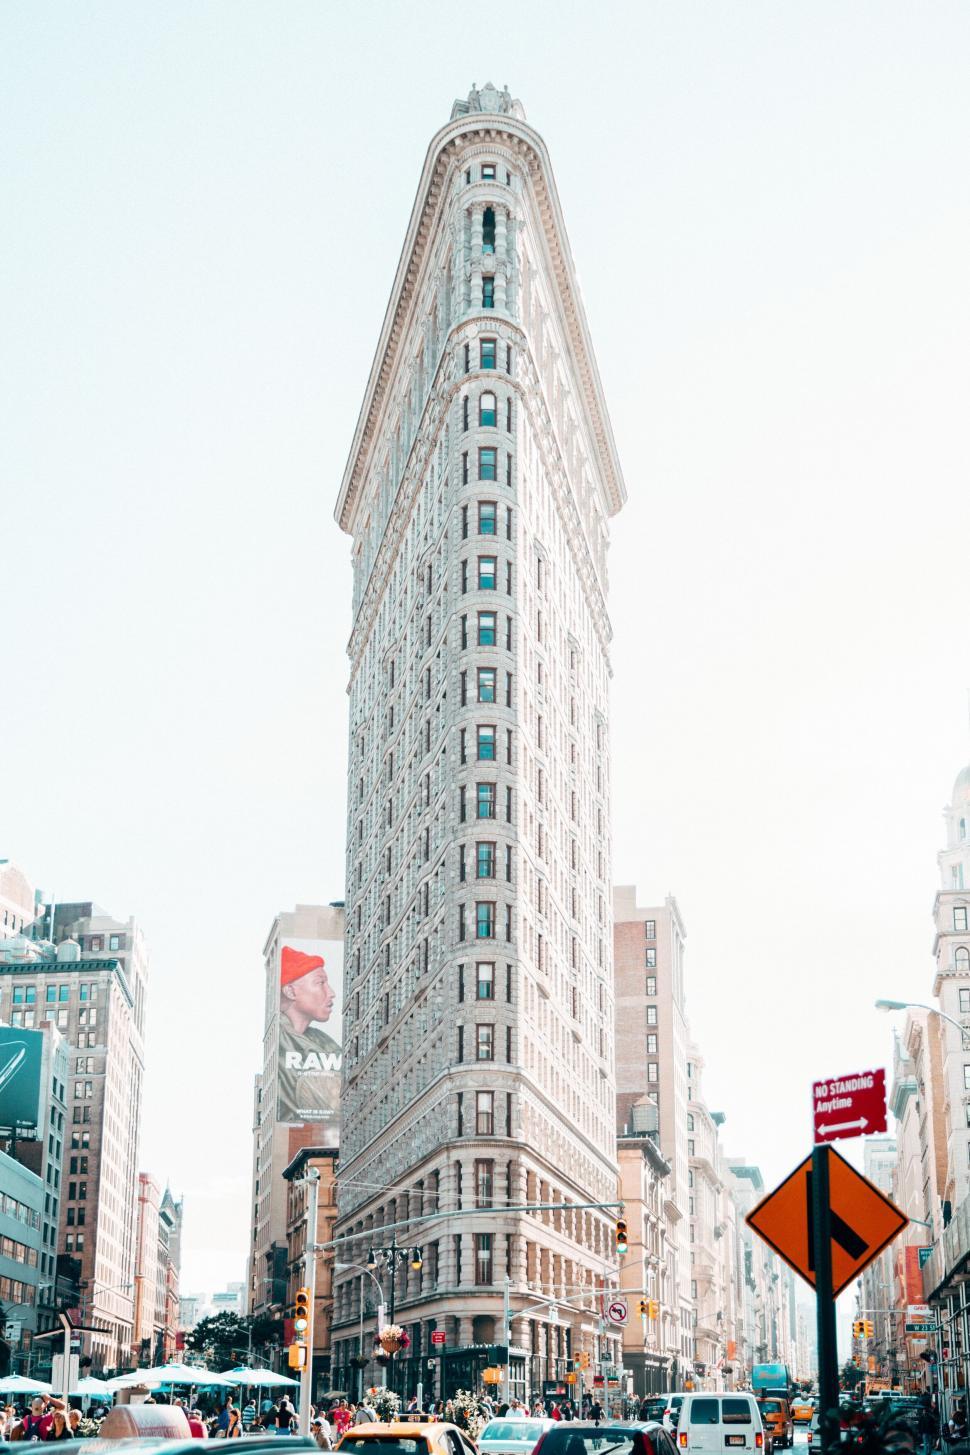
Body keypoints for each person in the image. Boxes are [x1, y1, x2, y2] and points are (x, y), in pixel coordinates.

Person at [277, 947, 342, 1123]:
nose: (331, 993)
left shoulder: (321, 1039)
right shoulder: (281, 1043)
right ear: (290, 992)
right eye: (320, 983)